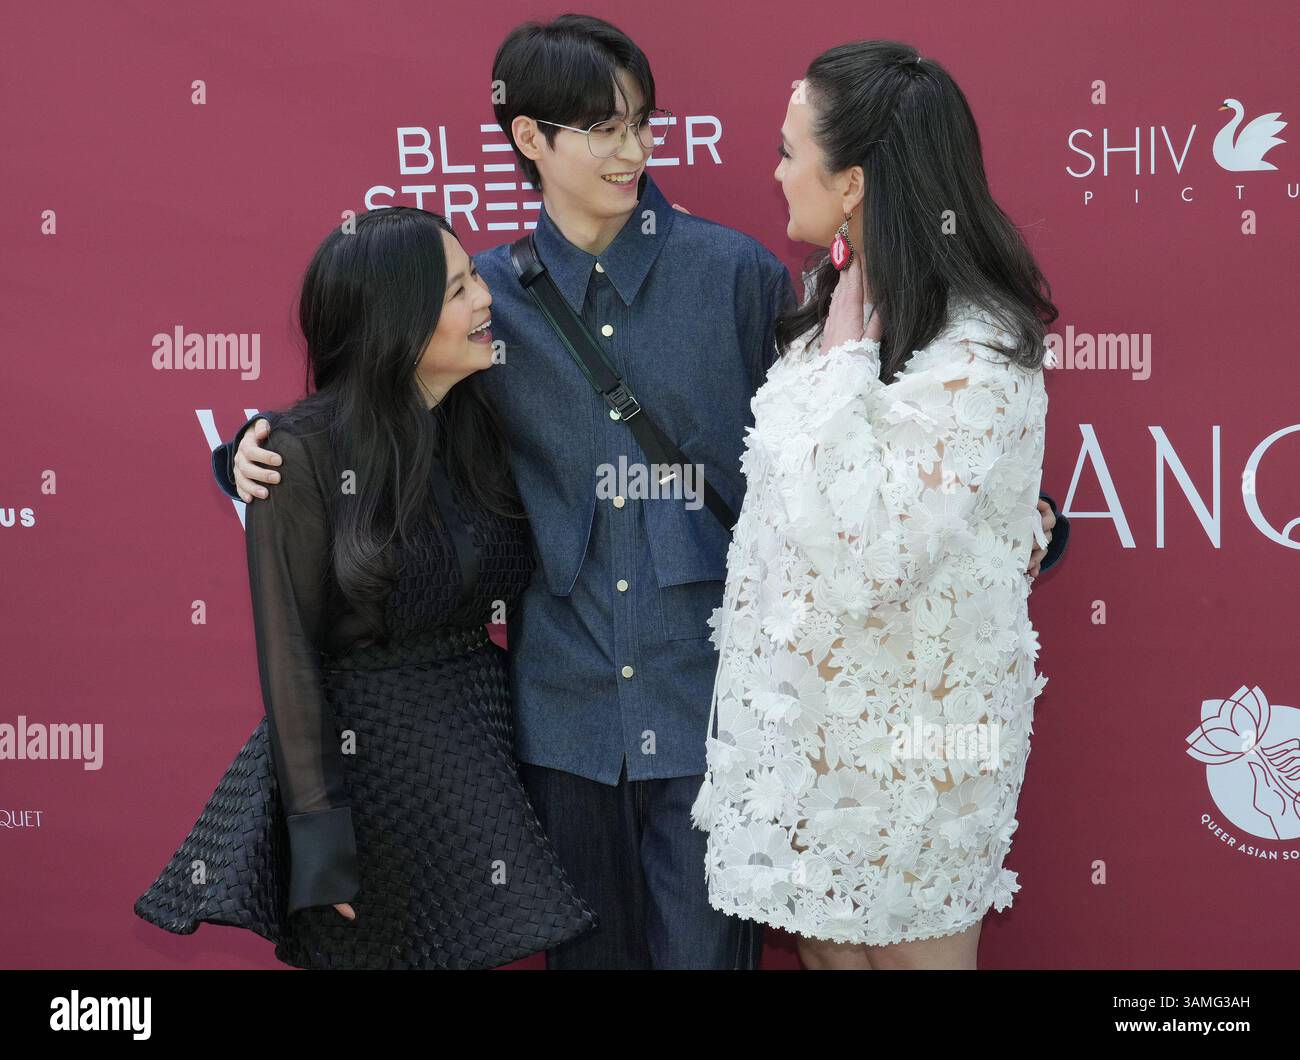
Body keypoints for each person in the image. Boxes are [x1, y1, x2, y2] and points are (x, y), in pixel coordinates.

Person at [212, 15, 1068, 969]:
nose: (633, 151)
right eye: (604, 129)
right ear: (530, 138)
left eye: (643, 125)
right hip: (559, 717)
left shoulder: (740, 277)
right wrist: (251, 456)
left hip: (721, 718)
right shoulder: (481, 299)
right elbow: (377, 417)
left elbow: (856, 444)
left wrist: (1020, 519)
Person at [134, 207, 597, 968]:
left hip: (478, 759)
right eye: (456, 290)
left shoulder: (474, 427)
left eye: (475, 277)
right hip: (368, 781)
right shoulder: (299, 453)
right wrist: (319, 837)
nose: (486, 300)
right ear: (395, 322)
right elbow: (290, 659)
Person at [691, 42, 1057, 970]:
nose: (774, 174)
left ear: (851, 182)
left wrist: (848, 360)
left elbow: (877, 547)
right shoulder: (830, 307)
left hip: (925, 747)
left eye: (787, 151)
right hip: (808, 737)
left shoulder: (978, 344)